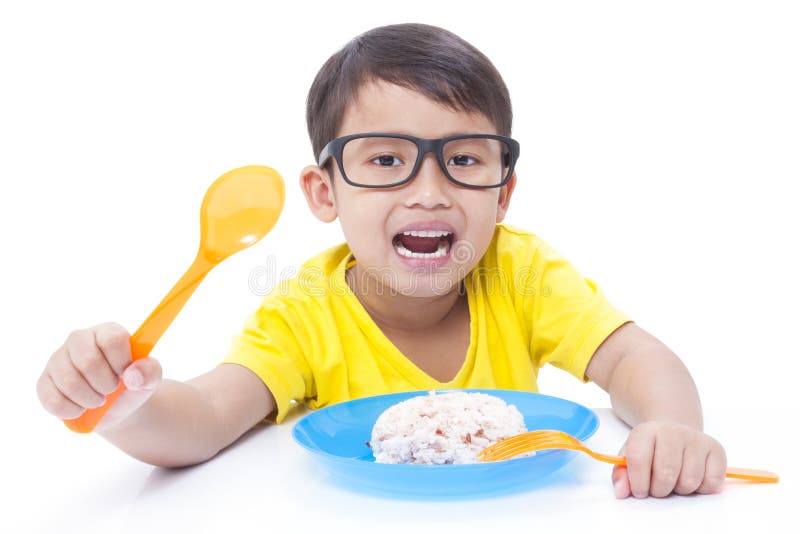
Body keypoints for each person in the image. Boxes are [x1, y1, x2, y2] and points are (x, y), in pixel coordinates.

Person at [36, 23, 726, 499]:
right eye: (388, 160)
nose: (430, 192)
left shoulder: (521, 274)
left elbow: (640, 361)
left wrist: (671, 430)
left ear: (504, 192)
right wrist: (127, 408)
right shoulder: (303, 312)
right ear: (324, 191)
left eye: (462, 161)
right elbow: (206, 418)